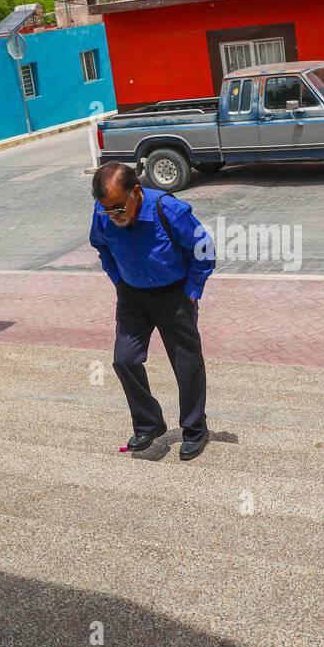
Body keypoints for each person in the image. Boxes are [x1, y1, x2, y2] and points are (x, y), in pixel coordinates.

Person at [89, 162, 215, 461]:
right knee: (124, 359)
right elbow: (101, 245)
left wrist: (192, 292)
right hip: (132, 296)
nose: (113, 216)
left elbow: (204, 249)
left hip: (174, 295)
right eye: (107, 210)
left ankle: (195, 429)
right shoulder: (103, 211)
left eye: (119, 208)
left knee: (186, 364)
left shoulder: (168, 210)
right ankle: (149, 424)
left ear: (136, 192)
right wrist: (118, 280)